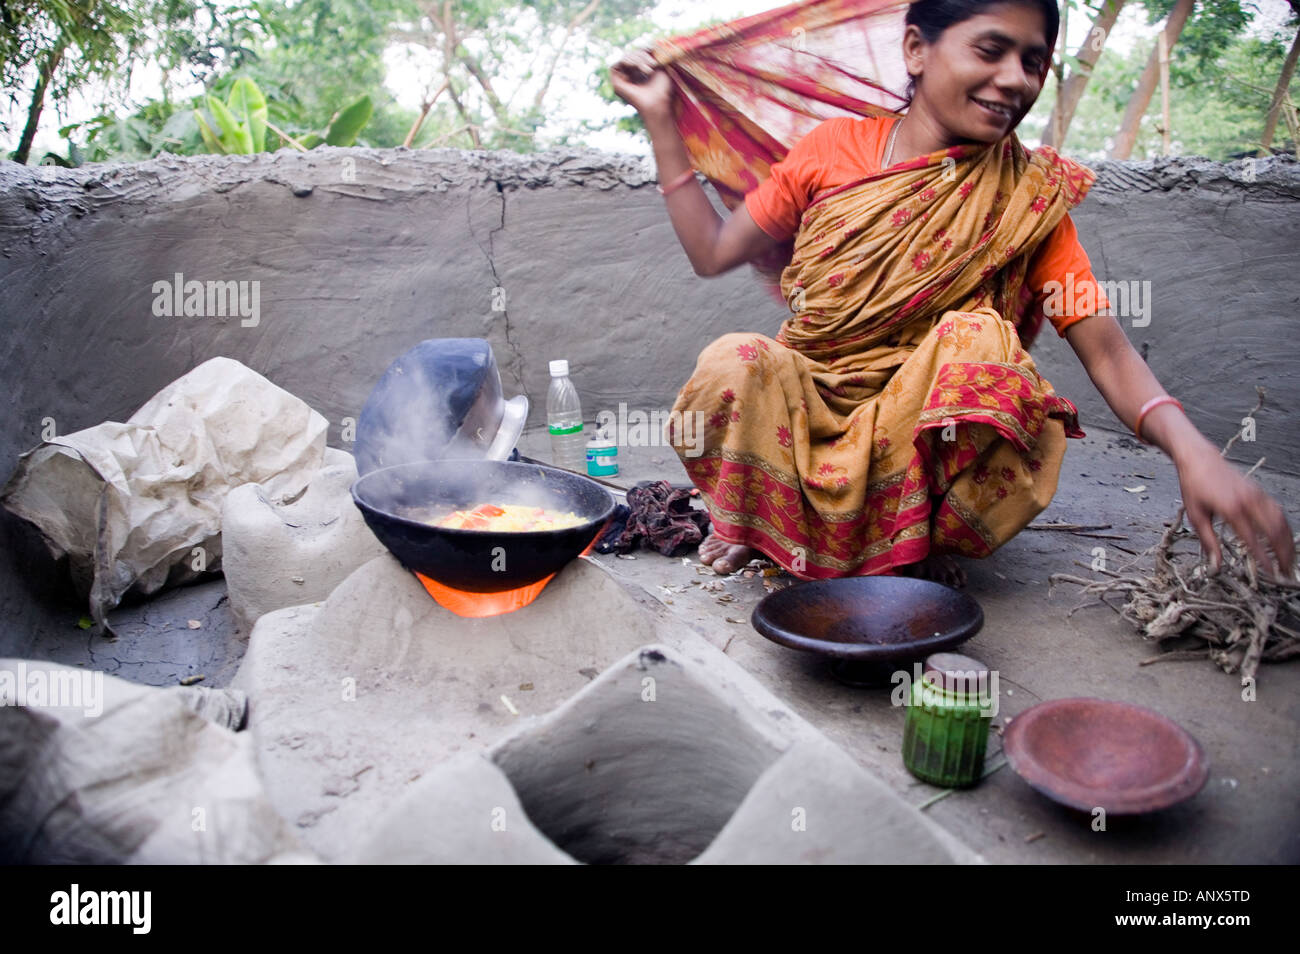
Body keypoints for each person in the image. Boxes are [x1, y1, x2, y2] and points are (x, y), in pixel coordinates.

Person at [609, 0, 1294, 585]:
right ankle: (769, 519)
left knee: (979, 341)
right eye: (991, 50)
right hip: (810, 402)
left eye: (1033, 61)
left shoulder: (1029, 197)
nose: (1013, 80)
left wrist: (1194, 450)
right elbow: (712, 252)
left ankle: (911, 543)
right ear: (916, 49)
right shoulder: (832, 152)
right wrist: (661, 118)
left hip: (925, 427)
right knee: (736, 362)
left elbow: (1108, 351)